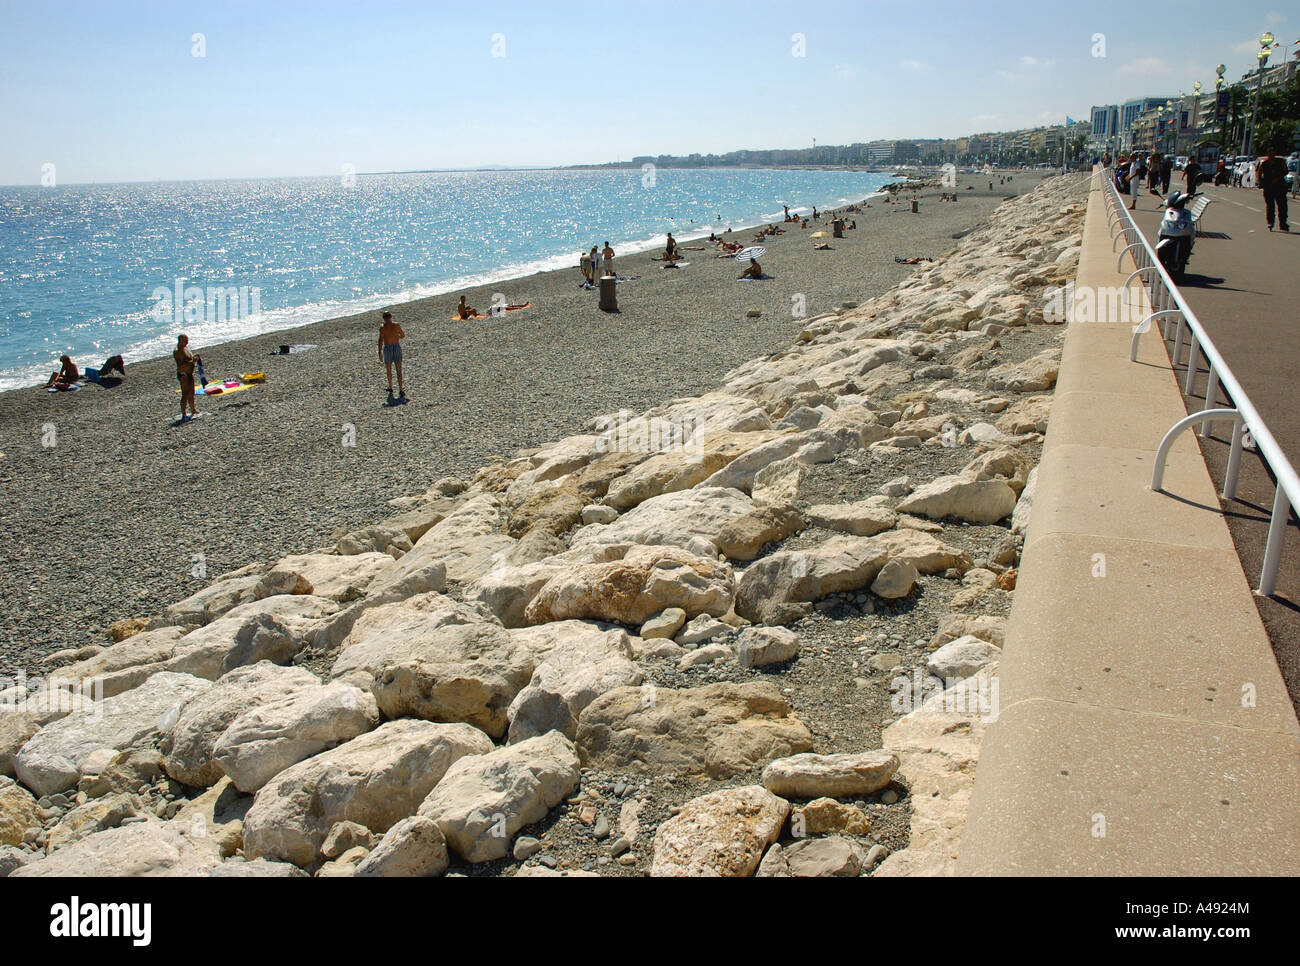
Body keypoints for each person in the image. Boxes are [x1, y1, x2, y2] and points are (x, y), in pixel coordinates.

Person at [1258, 149, 1290, 232]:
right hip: (1268, 187)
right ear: (1268, 155)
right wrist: (1261, 183)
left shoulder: (1280, 162)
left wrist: (1278, 178)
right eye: (1270, 154)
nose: (1271, 155)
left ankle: (1283, 224)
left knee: (1282, 206)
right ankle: (1270, 222)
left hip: (1280, 187)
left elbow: (1286, 171)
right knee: (1270, 206)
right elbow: (1259, 173)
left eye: (1273, 154)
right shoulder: (1264, 164)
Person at [378, 311, 406, 398]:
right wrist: (397, 336)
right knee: (398, 369)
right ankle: (400, 389)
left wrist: (379, 352)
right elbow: (403, 335)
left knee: (389, 369)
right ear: (391, 316)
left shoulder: (382, 327)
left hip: (388, 348)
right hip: (396, 346)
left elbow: (380, 340)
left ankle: (390, 387)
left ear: (384, 318)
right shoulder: (396, 325)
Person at [173, 336, 200, 420]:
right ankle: (183, 413)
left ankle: (193, 409)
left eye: (187, 341)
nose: (187, 343)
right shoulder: (178, 351)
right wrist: (193, 361)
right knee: (185, 394)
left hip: (189, 374)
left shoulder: (185, 348)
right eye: (185, 341)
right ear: (180, 341)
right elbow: (181, 367)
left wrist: (194, 358)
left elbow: (189, 358)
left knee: (191, 393)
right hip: (183, 375)